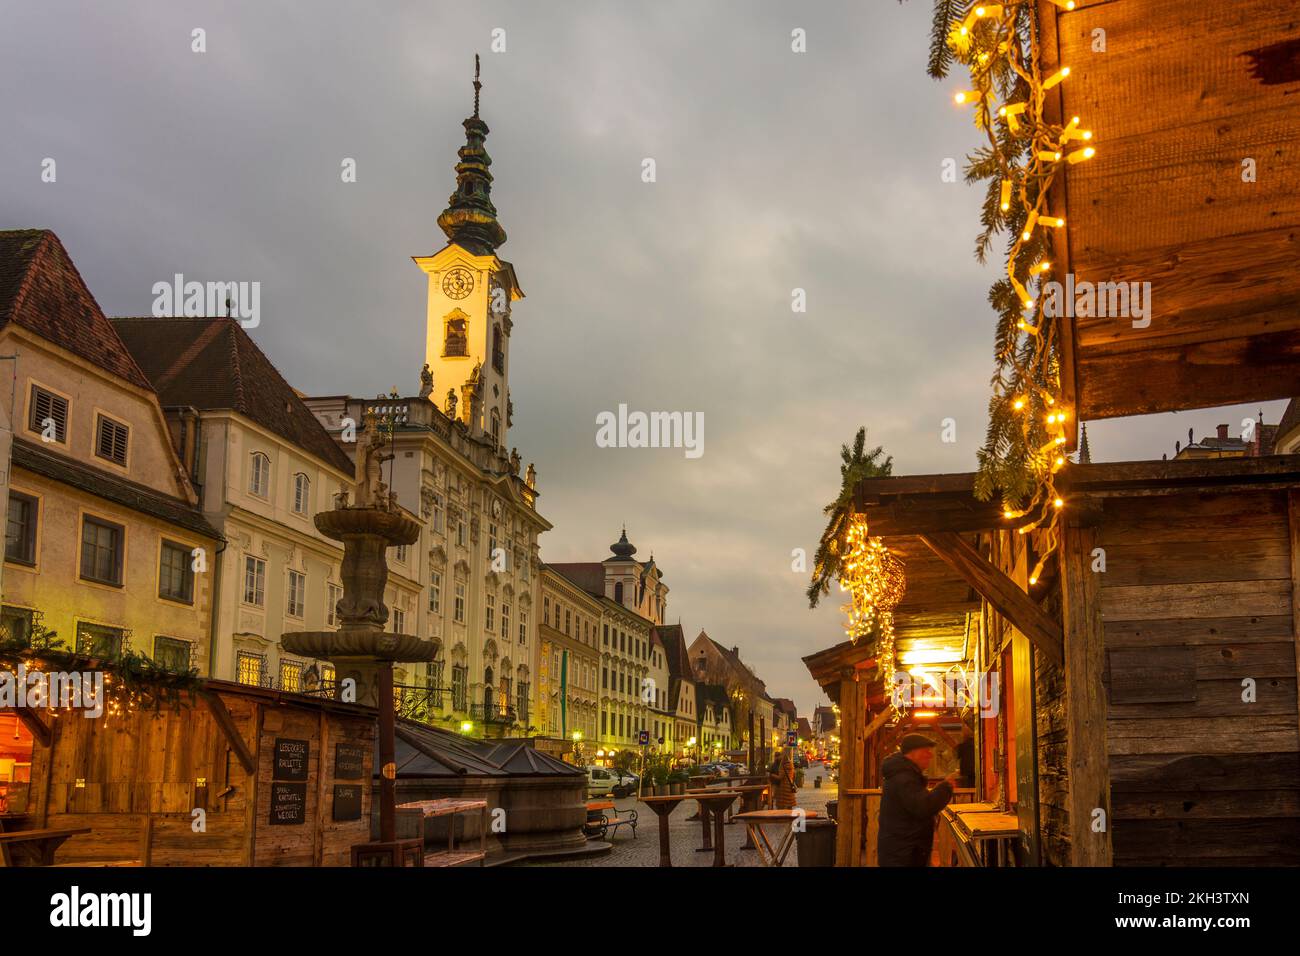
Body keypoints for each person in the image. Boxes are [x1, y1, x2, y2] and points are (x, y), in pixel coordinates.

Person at [877, 734, 957, 867]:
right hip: (902, 854)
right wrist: (946, 787)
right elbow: (924, 807)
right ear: (913, 753)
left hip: (904, 851)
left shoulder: (906, 775)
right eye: (926, 751)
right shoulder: (904, 779)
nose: (930, 755)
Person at [955, 722, 976, 789]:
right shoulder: (978, 746)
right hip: (976, 772)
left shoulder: (962, 746)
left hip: (965, 774)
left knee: (966, 791)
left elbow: (957, 756)